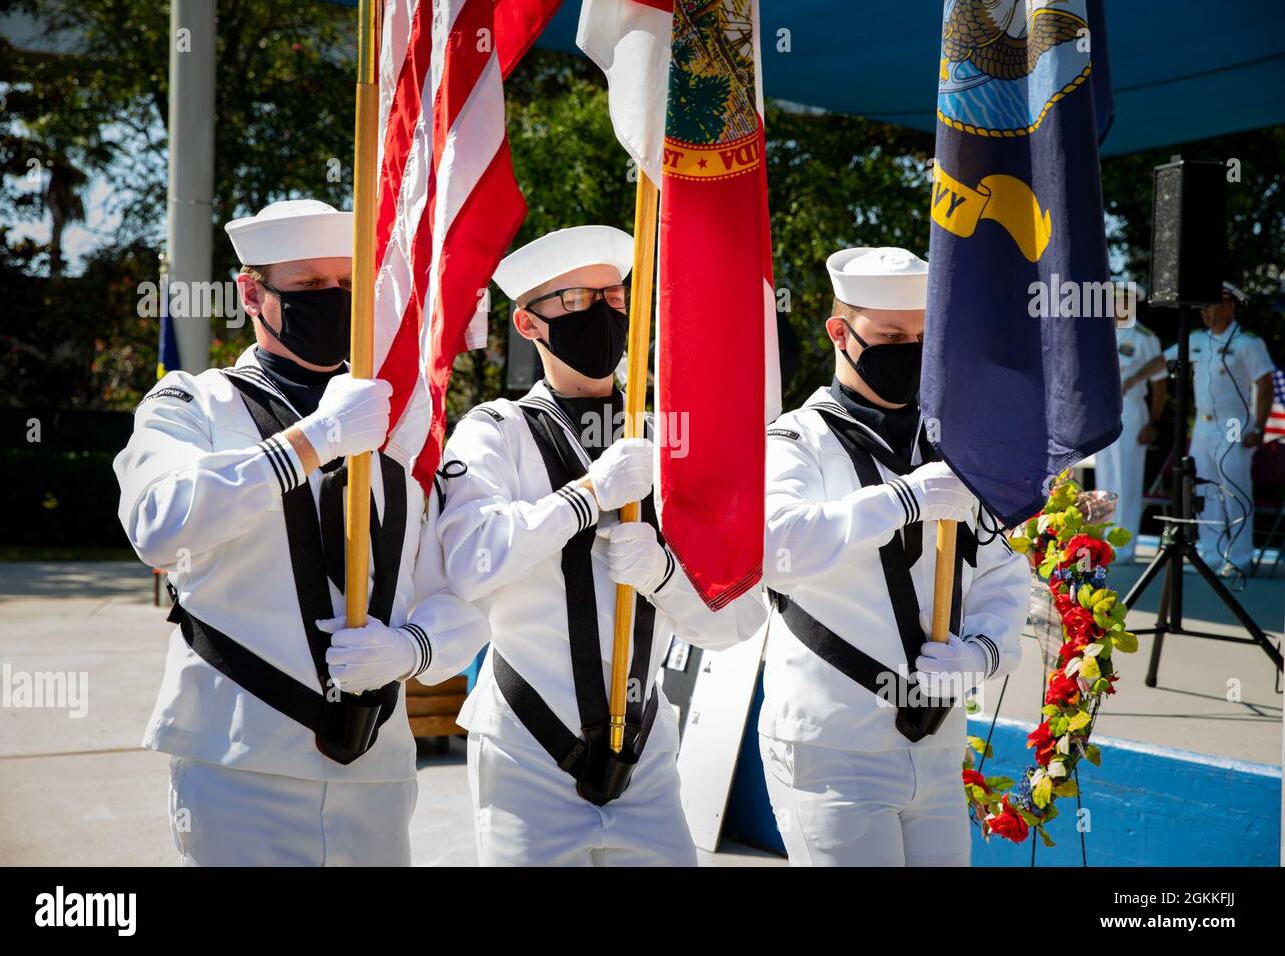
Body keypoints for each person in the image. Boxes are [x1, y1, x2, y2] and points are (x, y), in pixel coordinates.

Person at [114, 200, 488, 865]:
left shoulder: (402, 418)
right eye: (310, 288)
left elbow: (460, 583)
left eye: (347, 286)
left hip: (377, 764)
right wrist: (311, 442)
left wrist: (414, 648)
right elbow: (158, 523)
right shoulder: (196, 402)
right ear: (251, 293)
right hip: (240, 761)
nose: (333, 302)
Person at [432, 225, 767, 866]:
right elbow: (472, 564)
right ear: (529, 325)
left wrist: (666, 575)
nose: (605, 314)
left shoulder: (675, 441)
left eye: (616, 299)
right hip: (528, 753)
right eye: (580, 301)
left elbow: (736, 621)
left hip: (647, 757)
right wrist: (584, 497)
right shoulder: (494, 433)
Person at [758, 246, 1030, 866]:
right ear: (840, 333)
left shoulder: (954, 445)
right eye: (889, 336)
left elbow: (1002, 571)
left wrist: (983, 652)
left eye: (922, 338)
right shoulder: (795, 439)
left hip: (937, 748)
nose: (908, 350)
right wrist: (902, 499)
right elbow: (776, 547)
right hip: (834, 748)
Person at [1163, 282, 1276, 576]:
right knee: (1203, 488)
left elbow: (1265, 385)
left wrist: (1260, 427)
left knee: (1233, 486)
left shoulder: (1247, 342)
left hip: (1233, 422)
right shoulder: (1197, 339)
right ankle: (1211, 556)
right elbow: (1162, 361)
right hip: (1202, 424)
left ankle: (1238, 558)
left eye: (1213, 306)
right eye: (1204, 307)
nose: (1207, 313)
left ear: (1231, 306)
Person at [1094, 287, 1166, 562]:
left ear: (1134, 303)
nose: (1117, 305)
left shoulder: (1144, 338)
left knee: (1127, 479)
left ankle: (1123, 547)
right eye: (1113, 300)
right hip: (1104, 411)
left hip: (1132, 411)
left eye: (1123, 300)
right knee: (1106, 479)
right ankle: (1101, 540)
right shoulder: (1101, 333)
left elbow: (1160, 383)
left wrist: (1154, 421)